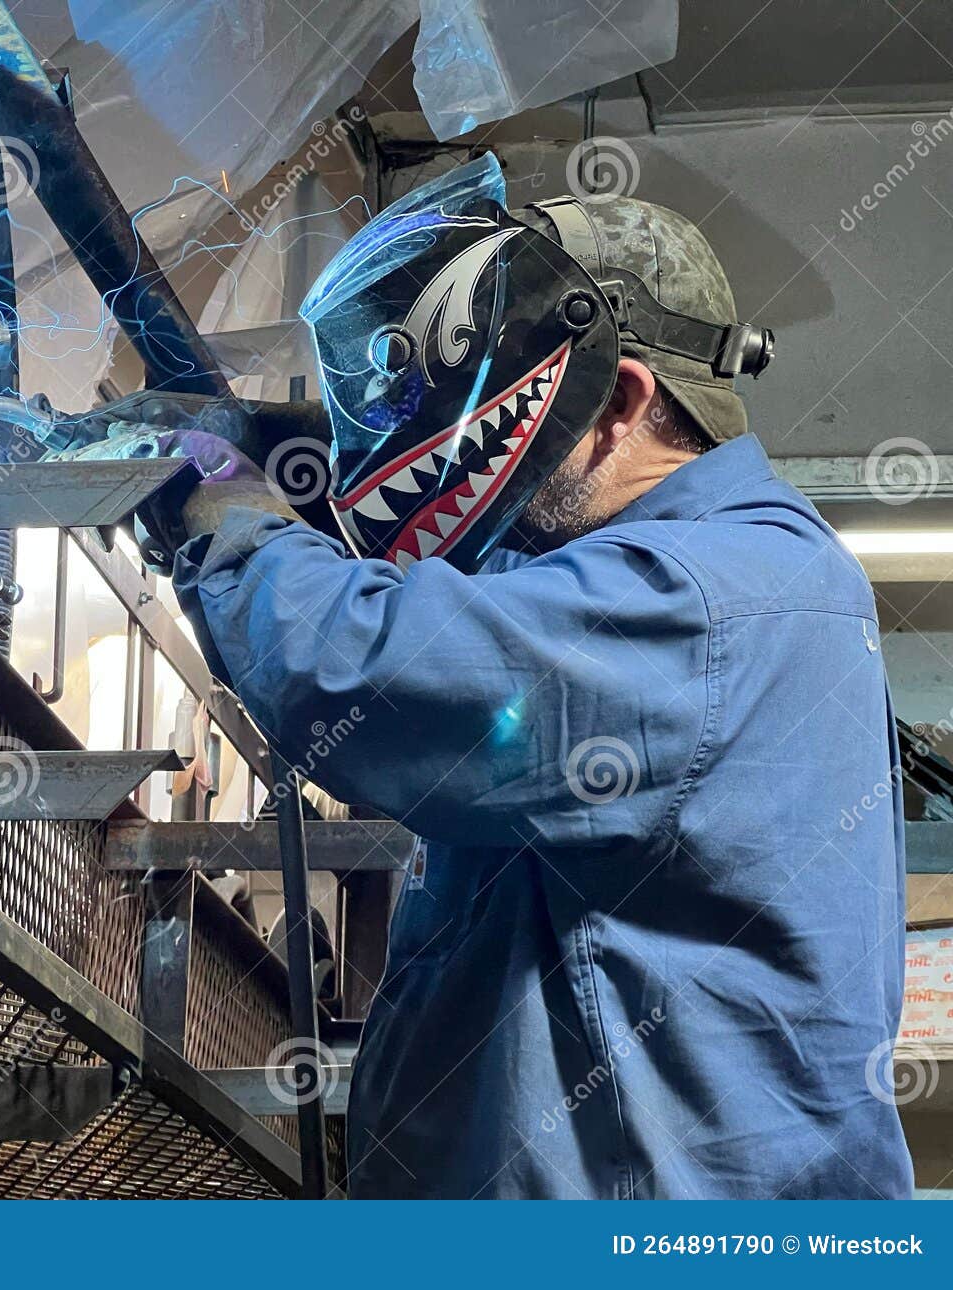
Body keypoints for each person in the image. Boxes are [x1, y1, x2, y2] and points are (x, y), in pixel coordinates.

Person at [118, 155, 913, 1198]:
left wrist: (224, 513)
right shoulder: (683, 580)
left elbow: (358, 673)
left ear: (619, 404)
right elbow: (452, 577)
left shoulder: (712, 596)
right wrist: (297, 453)